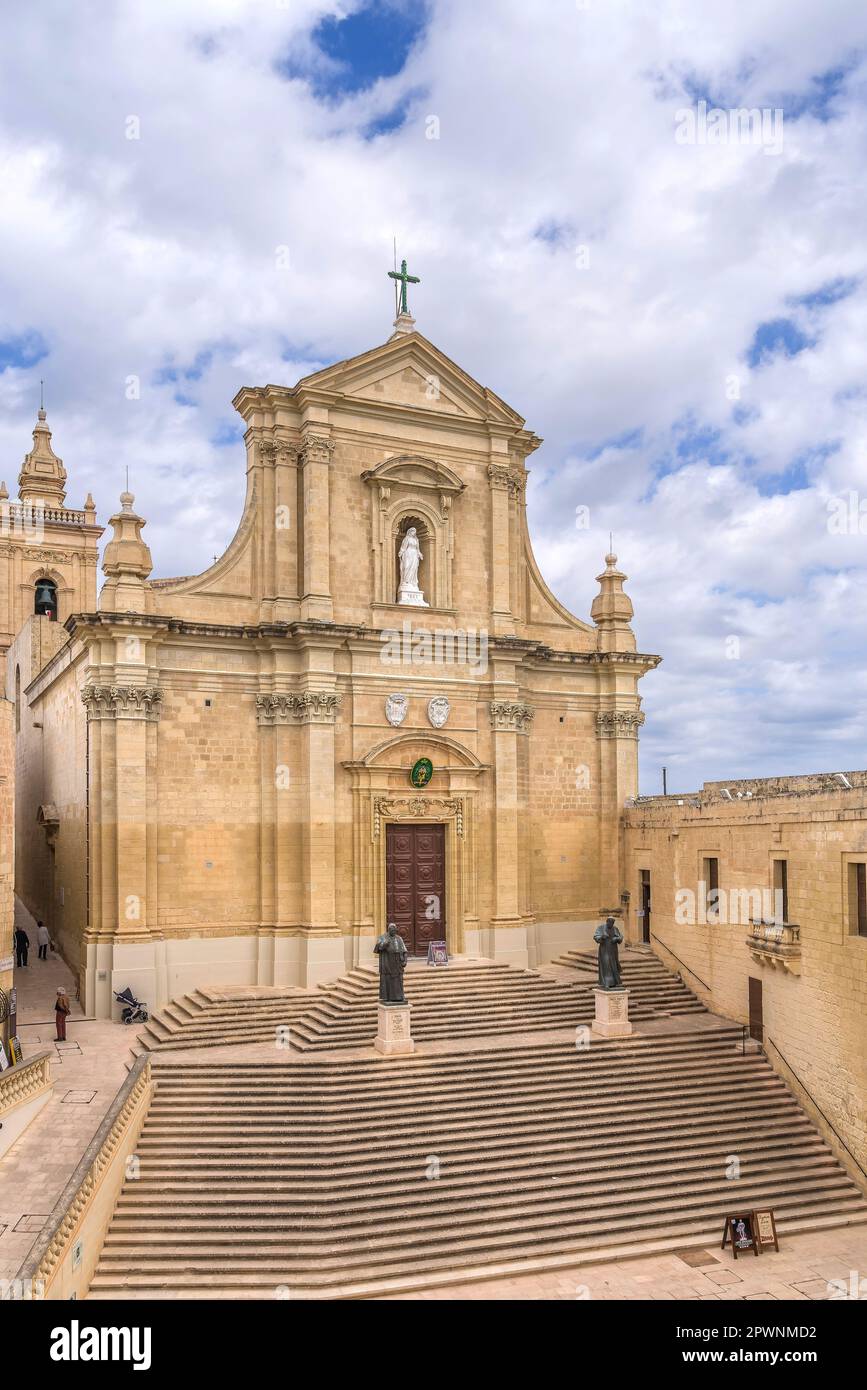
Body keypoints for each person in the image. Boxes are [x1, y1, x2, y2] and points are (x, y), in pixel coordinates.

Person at [374, 922, 409, 1004]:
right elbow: (378, 948)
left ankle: (400, 996)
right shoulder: (383, 937)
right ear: (388, 930)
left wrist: (405, 960)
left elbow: (404, 951)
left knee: (399, 981)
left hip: (397, 963)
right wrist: (384, 944)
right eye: (392, 930)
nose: (394, 932)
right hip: (388, 963)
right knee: (388, 980)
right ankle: (388, 997)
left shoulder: (399, 938)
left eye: (395, 930)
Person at [593, 915, 624, 990]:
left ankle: (616, 982)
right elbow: (595, 936)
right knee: (606, 965)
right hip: (604, 949)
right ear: (607, 921)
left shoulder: (615, 928)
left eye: (612, 923)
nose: (611, 924)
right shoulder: (601, 928)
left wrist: (616, 938)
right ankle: (607, 982)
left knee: (614, 965)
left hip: (613, 950)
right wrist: (602, 937)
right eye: (610, 922)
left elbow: (620, 937)